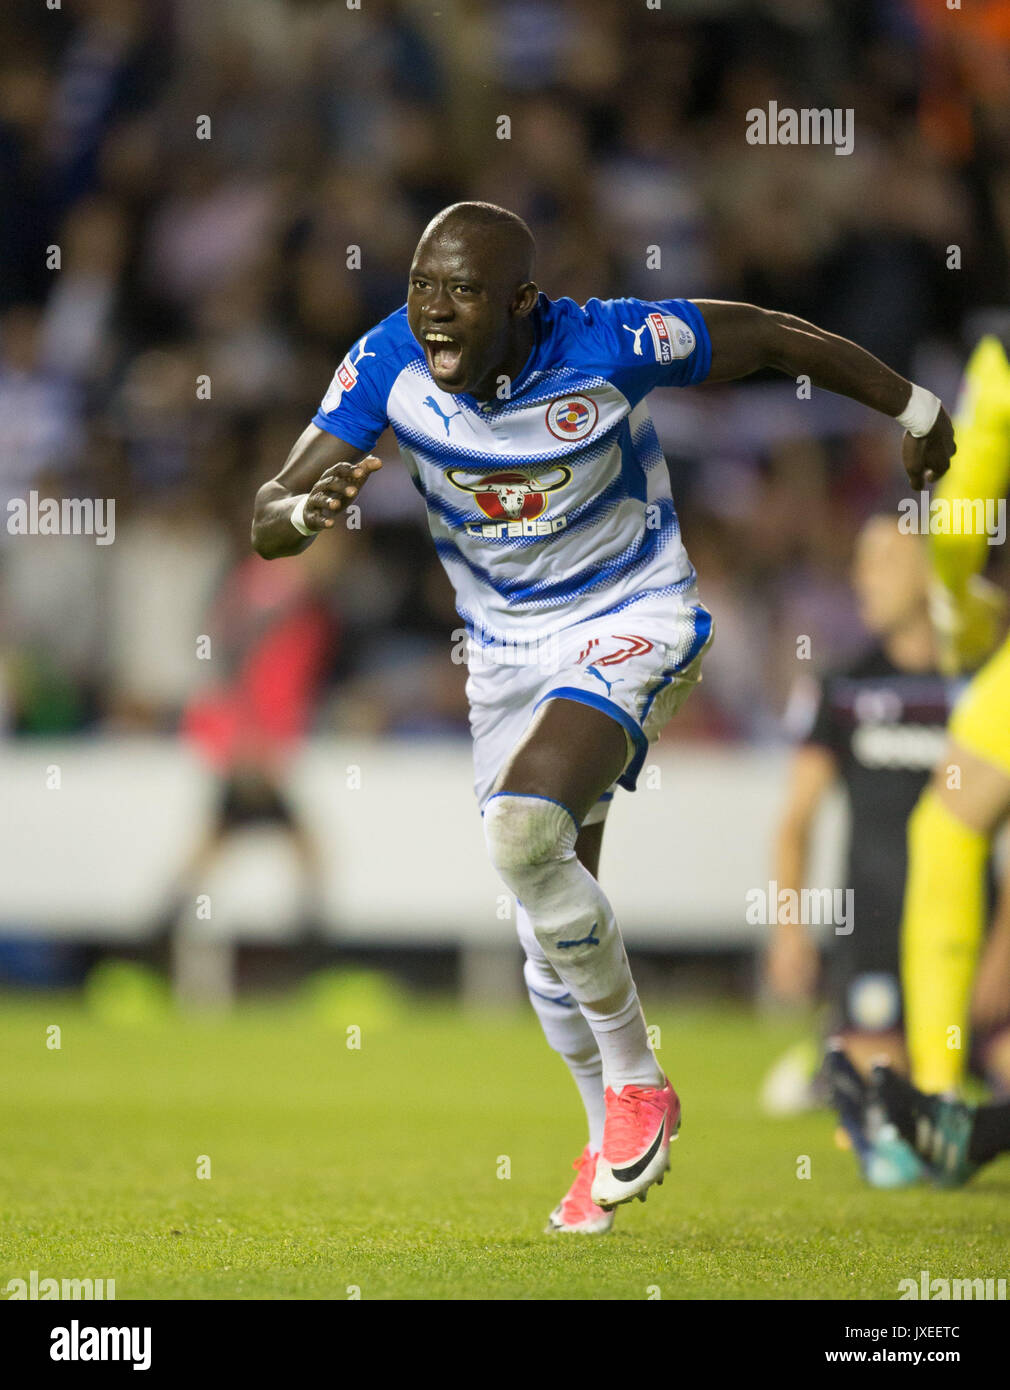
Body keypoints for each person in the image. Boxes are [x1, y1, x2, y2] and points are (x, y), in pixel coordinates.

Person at [251, 201, 954, 1232]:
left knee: (524, 833)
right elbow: (270, 510)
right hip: (502, 658)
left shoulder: (608, 343)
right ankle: (603, 1129)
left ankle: (636, 1082)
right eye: (419, 288)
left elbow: (758, 334)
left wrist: (912, 407)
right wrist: (302, 513)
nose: (433, 313)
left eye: (460, 292)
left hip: (632, 615)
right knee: (545, 908)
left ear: (521, 304)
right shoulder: (384, 363)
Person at [898, 330, 1010, 1097]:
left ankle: (936, 1089)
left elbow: (962, 524)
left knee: (945, 832)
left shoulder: (1001, 354)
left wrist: (960, 614)